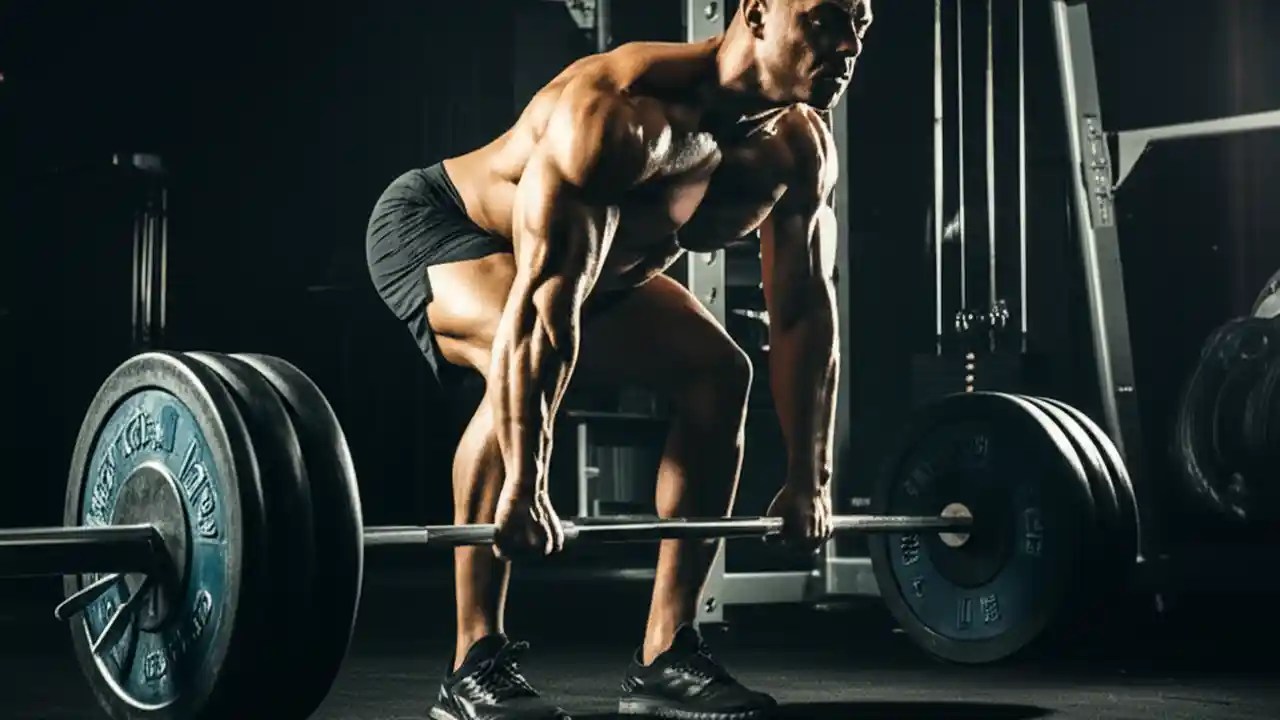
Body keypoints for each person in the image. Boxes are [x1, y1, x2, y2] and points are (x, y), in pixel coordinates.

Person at [365, 1, 872, 718]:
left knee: (719, 374)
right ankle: (471, 663)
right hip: (443, 229)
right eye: (825, 22)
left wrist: (806, 479)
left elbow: (801, 315)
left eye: (861, 24)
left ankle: (667, 653)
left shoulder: (798, 150)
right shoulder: (619, 113)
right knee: (515, 367)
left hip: (590, 270)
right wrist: (525, 483)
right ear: (757, 14)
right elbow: (542, 309)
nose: (849, 44)